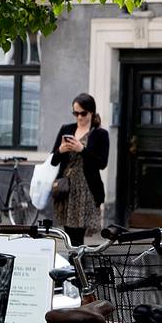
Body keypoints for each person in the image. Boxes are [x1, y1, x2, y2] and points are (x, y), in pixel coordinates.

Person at [47, 93, 109, 245]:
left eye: (83, 113)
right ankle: (73, 265)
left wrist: (82, 149)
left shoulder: (100, 134)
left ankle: (77, 265)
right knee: (68, 236)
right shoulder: (66, 129)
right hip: (66, 188)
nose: (79, 117)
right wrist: (61, 150)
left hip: (86, 190)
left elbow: (102, 163)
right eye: (76, 113)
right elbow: (53, 161)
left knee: (78, 237)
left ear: (91, 112)